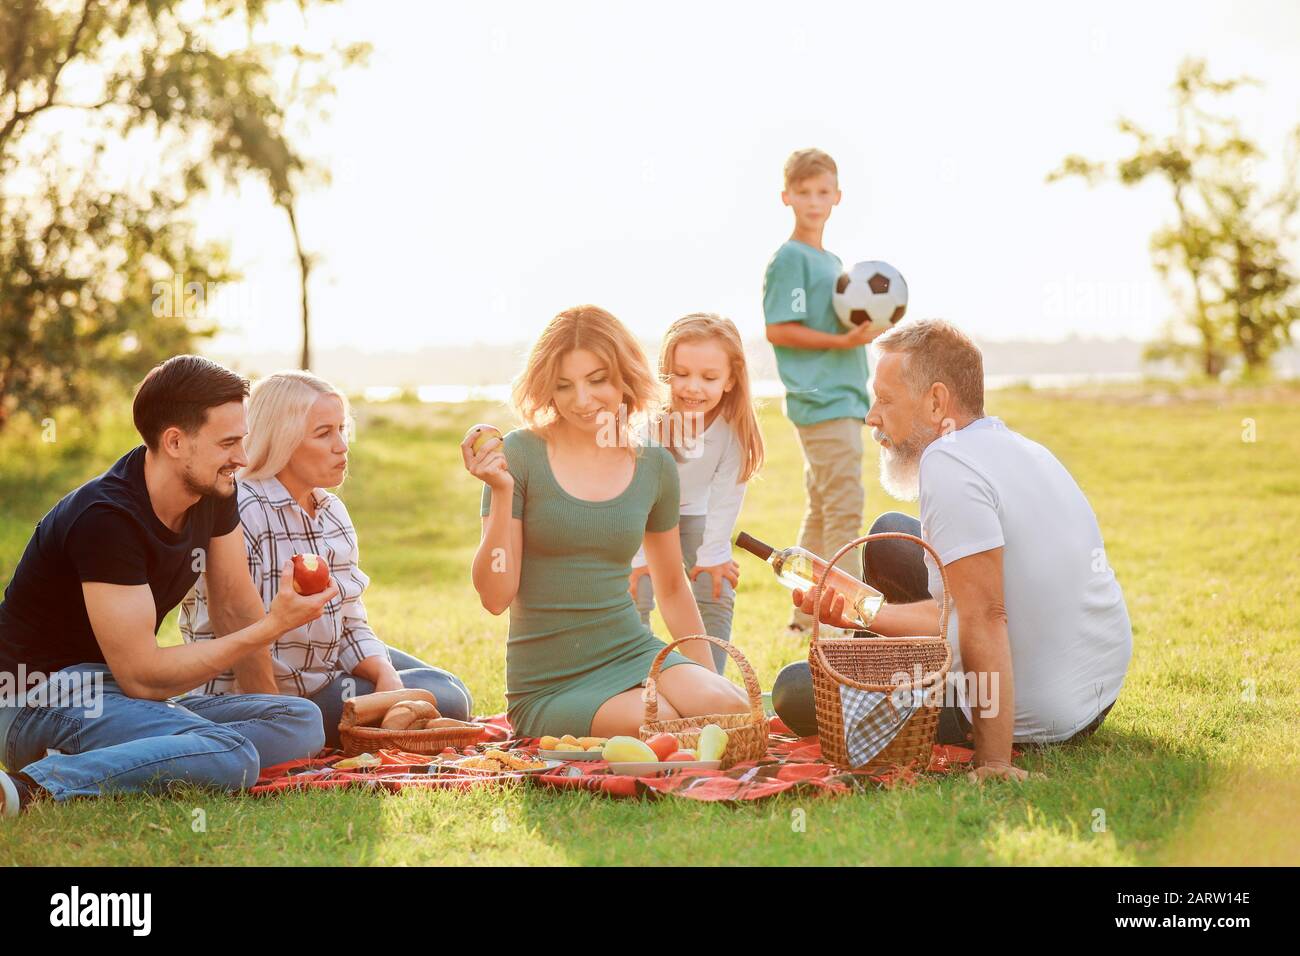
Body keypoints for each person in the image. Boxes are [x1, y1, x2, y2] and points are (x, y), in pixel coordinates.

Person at [773, 320, 1133, 781]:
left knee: (796, 691)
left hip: (1036, 708)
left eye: (885, 400)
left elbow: (985, 615)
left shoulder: (947, 463)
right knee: (891, 534)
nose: (871, 417)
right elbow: (969, 605)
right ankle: (881, 672)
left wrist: (994, 763)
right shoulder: (1021, 448)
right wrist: (859, 615)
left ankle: (890, 693)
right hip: (1092, 694)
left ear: (937, 401)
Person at [0, 356, 332, 818]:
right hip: (39, 698)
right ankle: (27, 787)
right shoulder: (106, 519)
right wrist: (273, 625)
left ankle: (118, 760)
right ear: (175, 441)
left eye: (243, 440)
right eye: (228, 442)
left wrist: (262, 676)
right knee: (232, 753)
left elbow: (235, 605)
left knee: (298, 720)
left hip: (117, 692)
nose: (241, 457)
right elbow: (142, 674)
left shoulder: (214, 491)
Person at [463, 305, 751, 739]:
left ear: (625, 375)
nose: (582, 400)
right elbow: (494, 595)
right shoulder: (520, 455)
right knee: (664, 724)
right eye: (564, 385)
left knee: (731, 708)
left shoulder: (654, 465)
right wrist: (502, 493)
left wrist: (707, 683)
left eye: (597, 380)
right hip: (551, 678)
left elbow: (672, 587)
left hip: (630, 648)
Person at [180, 371, 472, 749]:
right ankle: (341, 730)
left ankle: (377, 715)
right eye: (324, 434)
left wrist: (386, 678)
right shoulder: (243, 510)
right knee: (444, 698)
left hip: (323, 669)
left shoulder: (331, 511)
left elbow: (348, 619)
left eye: (342, 429)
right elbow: (241, 634)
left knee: (451, 692)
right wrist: (281, 716)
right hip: (266, 692)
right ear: (281, 441)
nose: (342, 446)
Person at [762, 147, 884, 634]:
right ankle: (841, 625)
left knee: (821, 508)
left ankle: (802, 617)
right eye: (804, 192)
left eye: (823, 192)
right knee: (844, 512)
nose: (814, 201)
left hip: (843, 399)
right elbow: (780, 327)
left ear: (837, 197)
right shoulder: (792, 260)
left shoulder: (831, 260)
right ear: (787, 196)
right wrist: (842, 341)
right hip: (820, 400)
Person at [627, 313, 765, 675]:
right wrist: (639, 559)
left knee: (714, 584)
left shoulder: (733, 431)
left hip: (694, 515)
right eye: (681, 374)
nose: (692, 387)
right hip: (640, 517)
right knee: (635, 586)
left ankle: (709, 679)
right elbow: (634, 494)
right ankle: (633, 676)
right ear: (665, 374)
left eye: (709, 377)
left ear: (731, 379)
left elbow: (725, 498)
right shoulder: (651, 425)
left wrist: (714, 554)